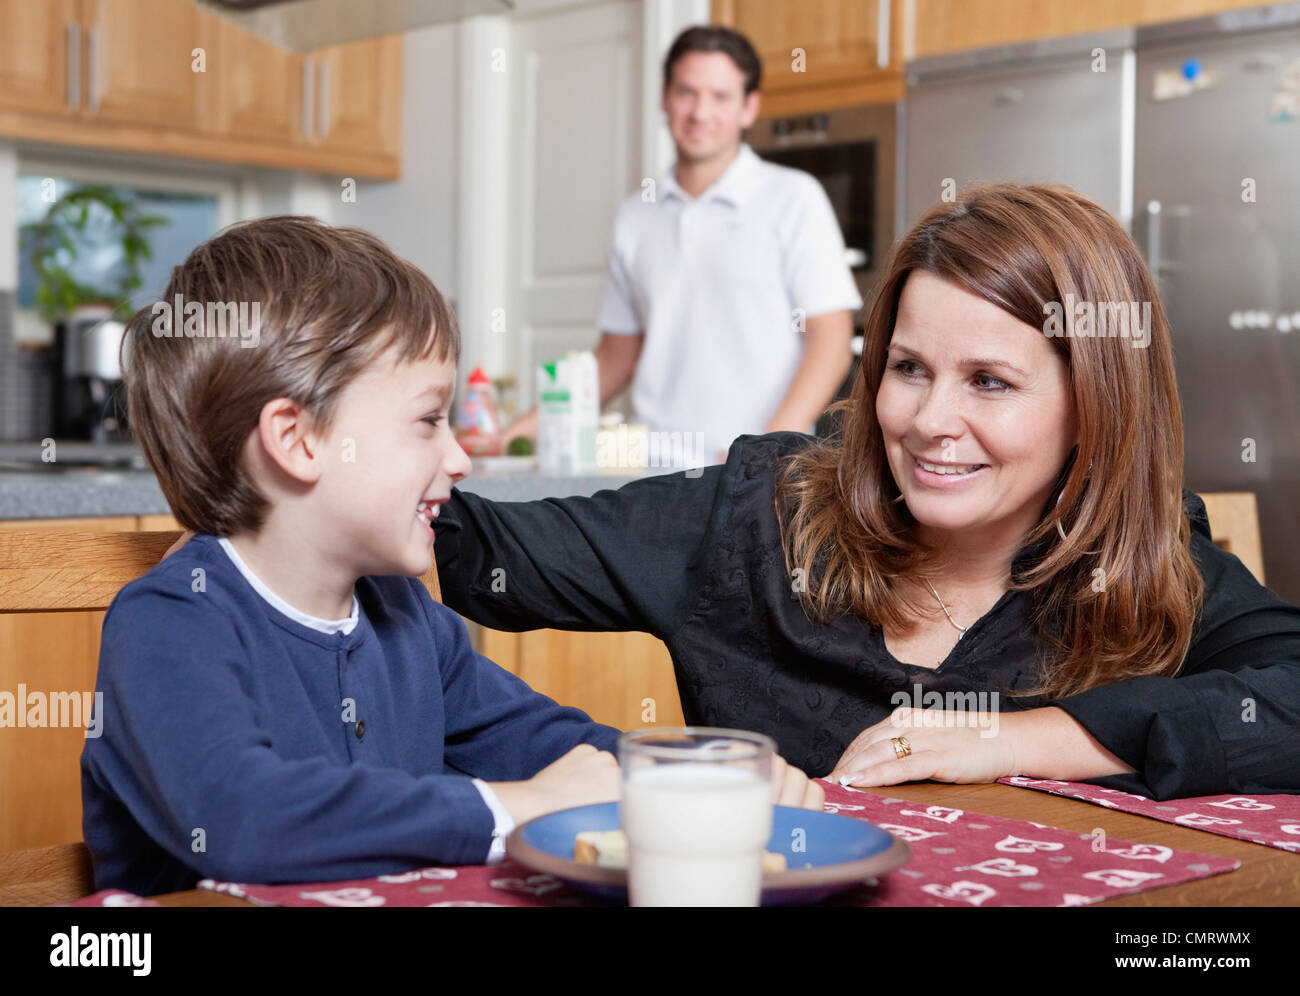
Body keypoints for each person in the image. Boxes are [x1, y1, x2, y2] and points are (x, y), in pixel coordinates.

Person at [437, 184, 1300, 801]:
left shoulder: (1143, 569)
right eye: (910, 368)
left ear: (1094, 409)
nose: (930, 421)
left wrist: (1017, 739)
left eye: (990, 382)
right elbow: (479, 552)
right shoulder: (756, 517)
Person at [82, 216, 825, 896]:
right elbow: (245, 819)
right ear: (298, 439)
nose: (460, 457)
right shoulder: (171, 626)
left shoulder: (402, 614)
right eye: (428, 420)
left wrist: (705, 780)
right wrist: (518, 806)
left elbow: (544, 742)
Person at [505, 25, 862, 464]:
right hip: (651, 469)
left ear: (749, 107)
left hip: (758, 475)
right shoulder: (636, 215)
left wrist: (765, 451)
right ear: (664, 98)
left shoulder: (792, 198)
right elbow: (616, 357)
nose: (700, 112)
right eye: (686, 93)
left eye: (720, 96)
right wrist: (514, 434)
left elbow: (830, 342)